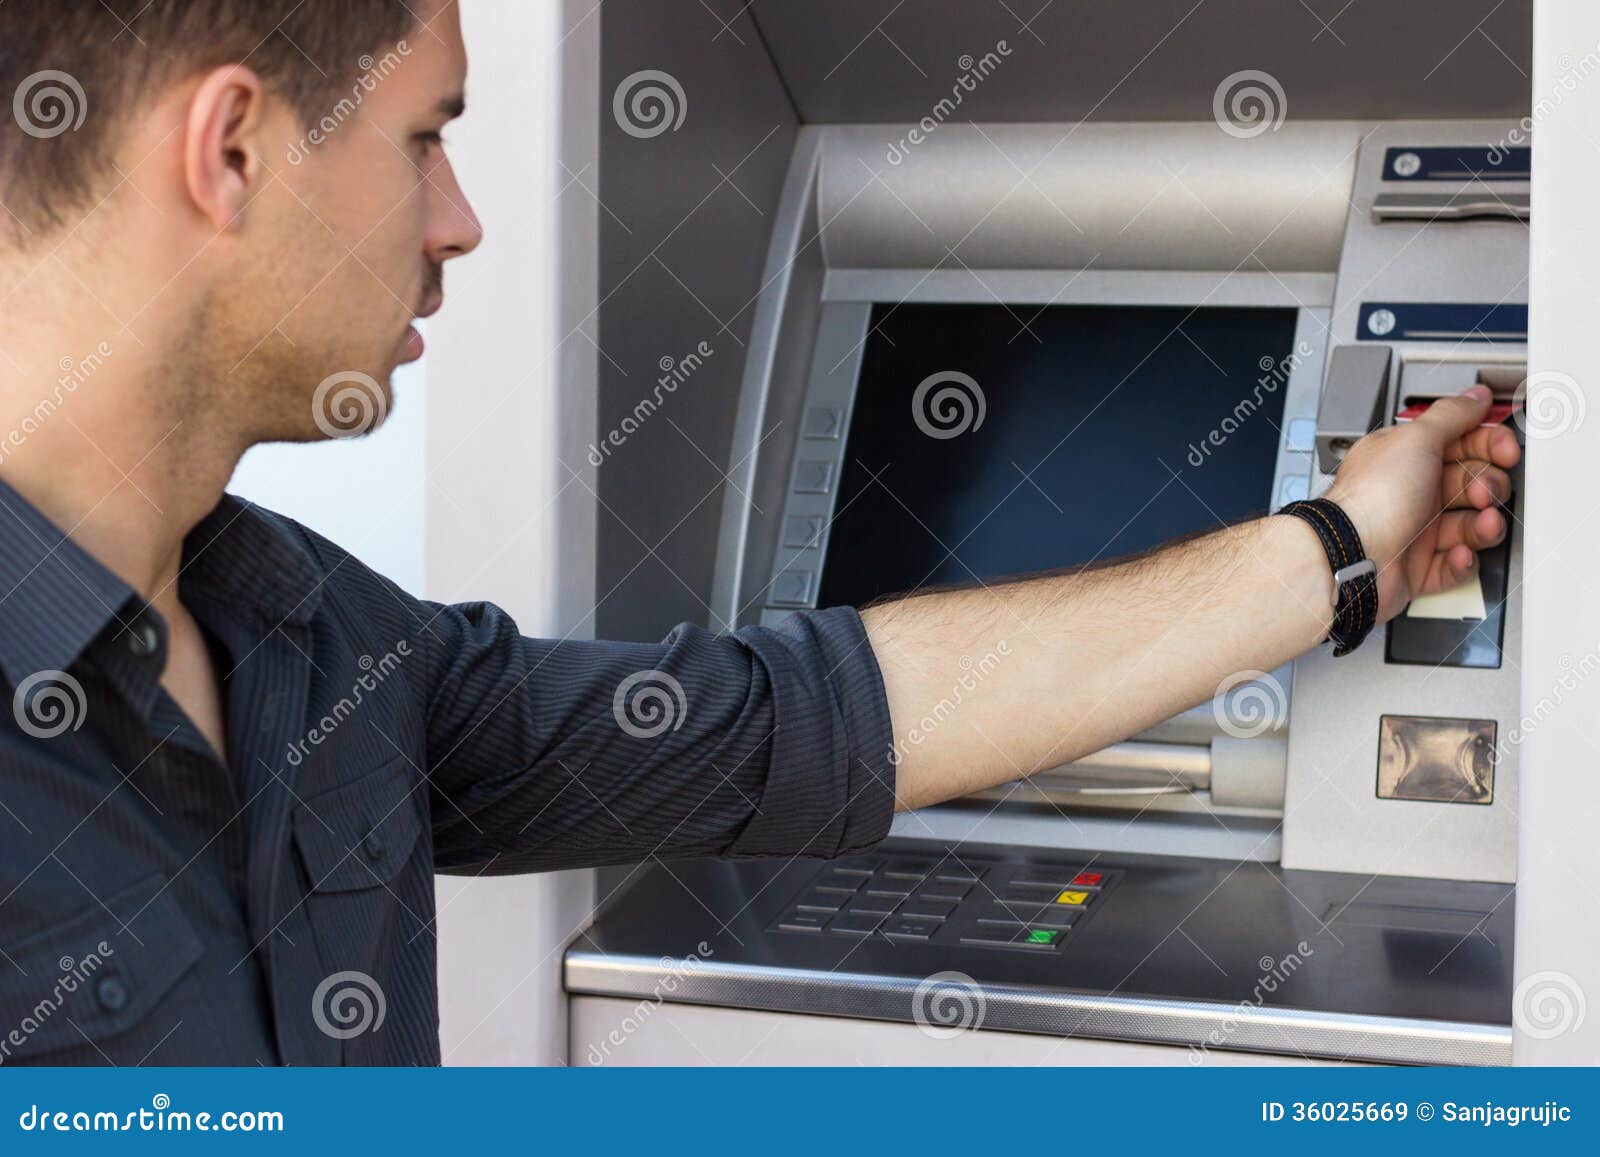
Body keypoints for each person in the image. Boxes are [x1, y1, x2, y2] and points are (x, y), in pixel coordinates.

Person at [0, 1, 1521, 1065]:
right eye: (421, 140)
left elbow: (792, 719)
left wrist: (1338, 547)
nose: (458, 220)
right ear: (231, 151)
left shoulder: (309, 637)